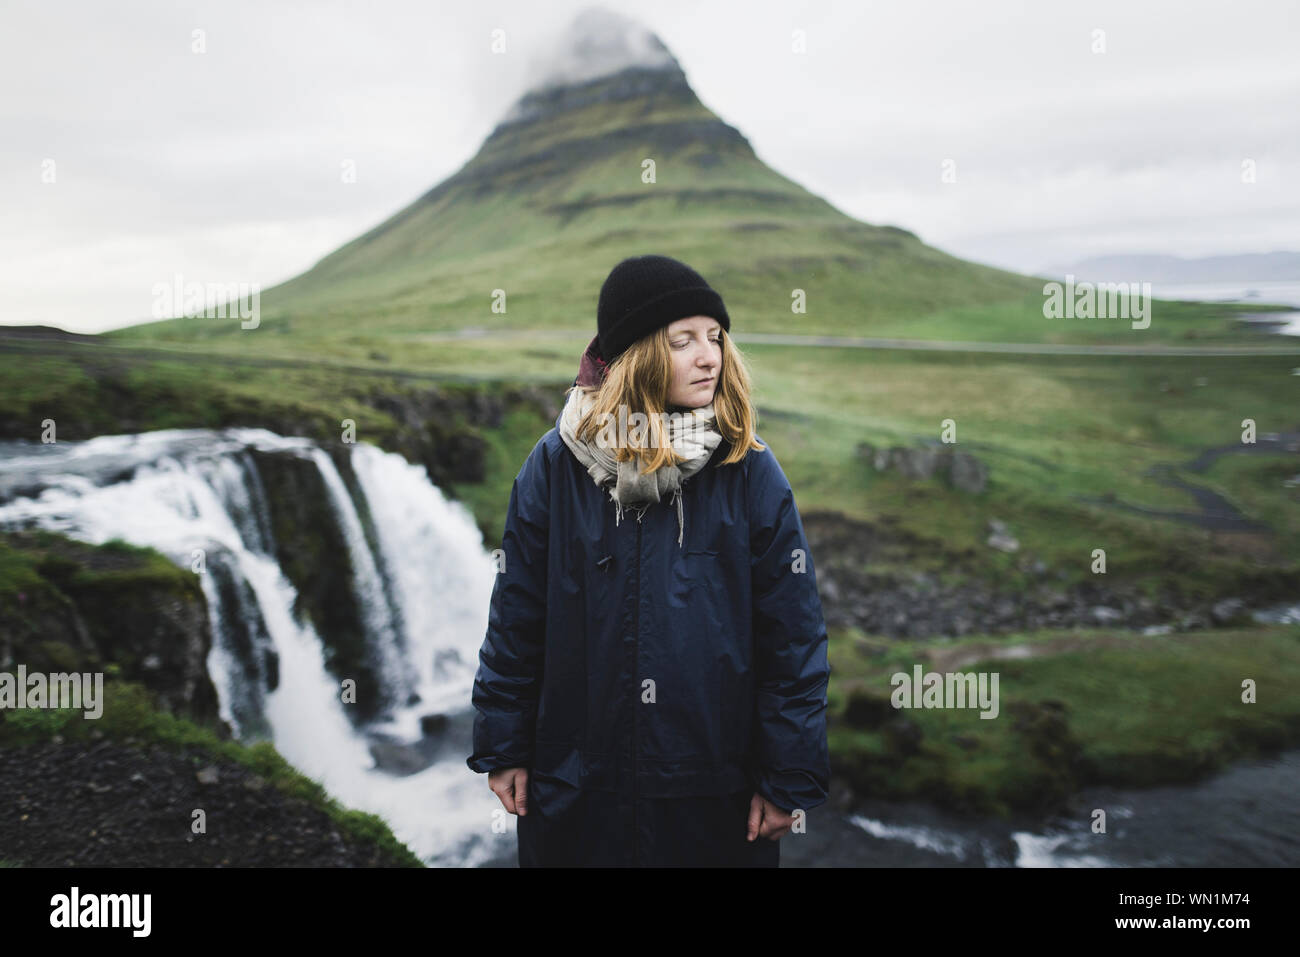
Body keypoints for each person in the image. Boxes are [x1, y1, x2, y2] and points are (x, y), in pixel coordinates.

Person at [466, 254, 830, 867]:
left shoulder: (748, 469)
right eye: (682, 340)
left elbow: (792, 638)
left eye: (714, 337)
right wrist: (503, 746)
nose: (708, 355)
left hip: (712, 797)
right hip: (576, 792)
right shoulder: (555, 466)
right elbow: (516, 615)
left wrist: (786, 775)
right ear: (635, 355)